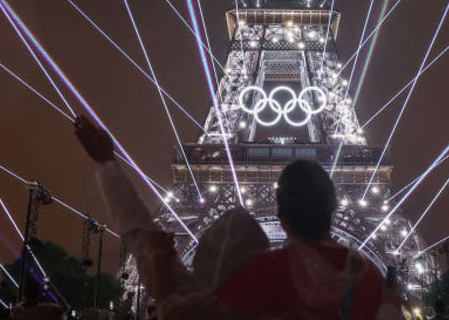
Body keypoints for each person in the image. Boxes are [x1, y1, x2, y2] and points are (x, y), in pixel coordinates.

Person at [75, 116, 404, 319]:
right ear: (332, 210)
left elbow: (180, 313)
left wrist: (107, 164)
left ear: (282, 216)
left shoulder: (267, 272)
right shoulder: (367, 278)